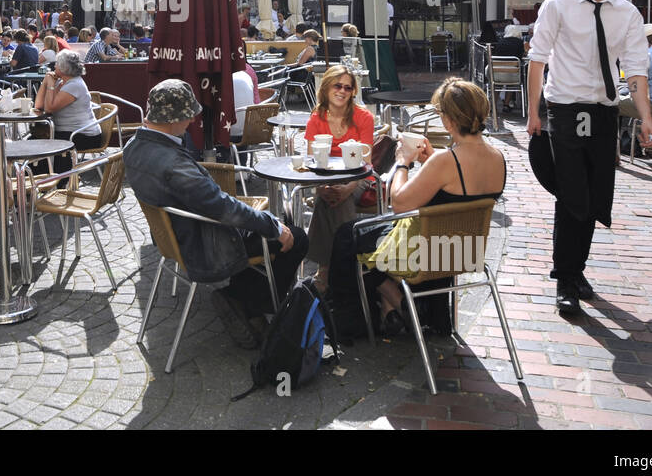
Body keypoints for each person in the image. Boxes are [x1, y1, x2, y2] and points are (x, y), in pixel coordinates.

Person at [527, 0, 652, 317]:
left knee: (595, 197)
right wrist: (534, 112)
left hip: (603, 112)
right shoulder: (558, 6)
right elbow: (537, 59)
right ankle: (566, 278)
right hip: (564, 108)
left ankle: (575, 270)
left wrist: (646, 118)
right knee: (571, 196)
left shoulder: (628, 14)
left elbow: (635, 70)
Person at [125, 79, 307, 348]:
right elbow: (223, 209)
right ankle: (244, 300)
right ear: (176, 117)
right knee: (296, 236)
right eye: (188, 116)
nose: (191, 121)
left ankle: (245, 294)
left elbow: (212, 201)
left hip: (174, 235)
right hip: (204, 242)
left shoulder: (133, 147)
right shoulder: (173, 163)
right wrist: (272, 226)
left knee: (276, 225)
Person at [331, 78, 505, 335]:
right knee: (363, 234)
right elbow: (458, 189)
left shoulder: (448, 160)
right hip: (461, 252)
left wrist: (402, 162)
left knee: (348, 235)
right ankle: (395, 307)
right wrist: (432, 160)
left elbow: (399, 203)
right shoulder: (497, 157)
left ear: (448, 120)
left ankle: (356, 320)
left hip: (426, 254)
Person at [303, 65, 376, 291]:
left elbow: (365, 163)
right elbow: (311, 160)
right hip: (325, 178)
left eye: (348, 87)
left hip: (359, 177)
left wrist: (346, 188)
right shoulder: (316, 119)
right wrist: (321, 187)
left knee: (334, 198)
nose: (342, 91)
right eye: (337, 85)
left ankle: (324, 268)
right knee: (330, 196)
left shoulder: (363, 117)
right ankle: (347, 263)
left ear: (353, 91)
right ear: (326, 88)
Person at [33, 50, 102, 171]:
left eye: (57, 64)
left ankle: (57, 181)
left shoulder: (74, 85)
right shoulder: (61, 82)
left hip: (84, 135)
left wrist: (50, 84)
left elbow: (49, 108)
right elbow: (39, 105)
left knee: (42, 143)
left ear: (64, 68)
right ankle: (41, 180)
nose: (54, 66)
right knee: (34, 140)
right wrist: (45, 82)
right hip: (69, 131)